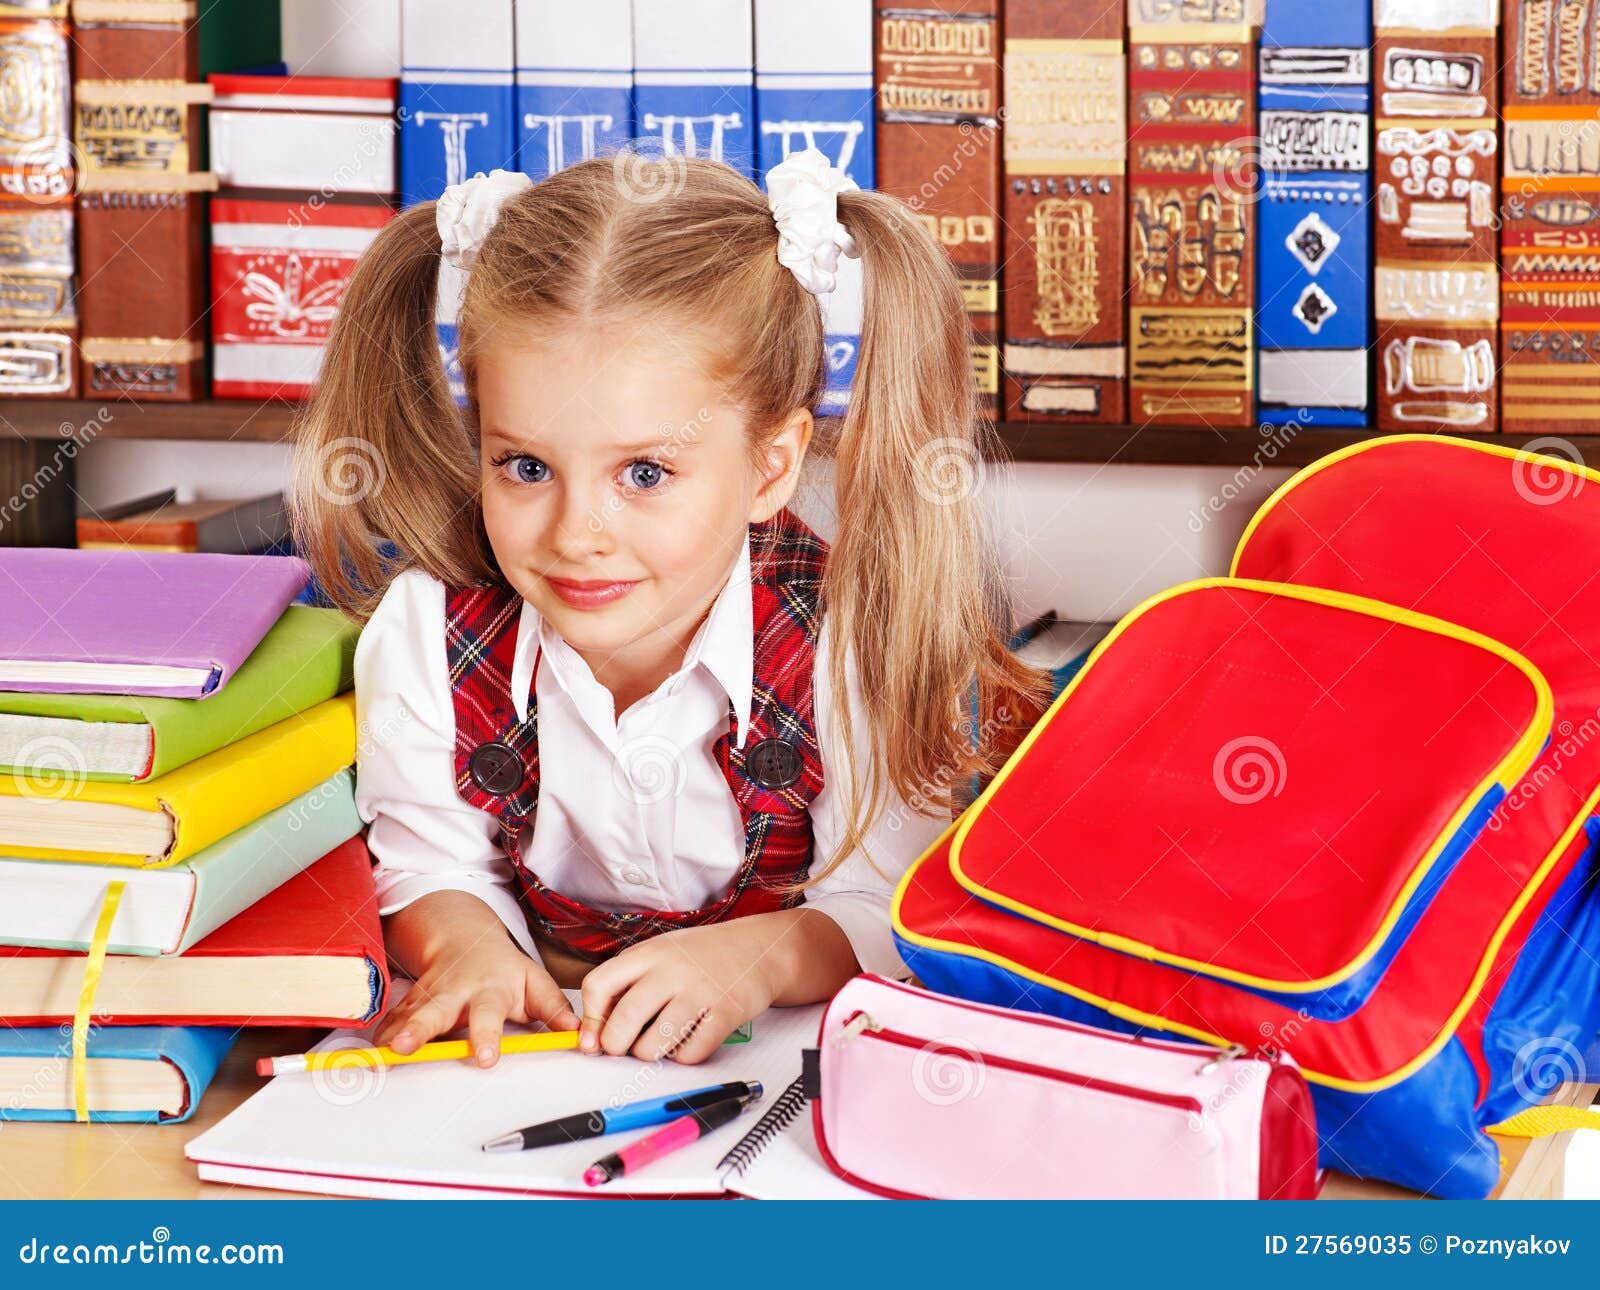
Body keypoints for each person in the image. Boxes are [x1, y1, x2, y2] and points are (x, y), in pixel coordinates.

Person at [291, 148, 1049, 1068]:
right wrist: (466, 947)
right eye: (526, 467)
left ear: (769, 467)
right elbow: (432, 864)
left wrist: (757, 959)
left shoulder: (849, 638)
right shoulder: (425, 631)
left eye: (645, 474)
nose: (577, 534)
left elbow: (884, 908)